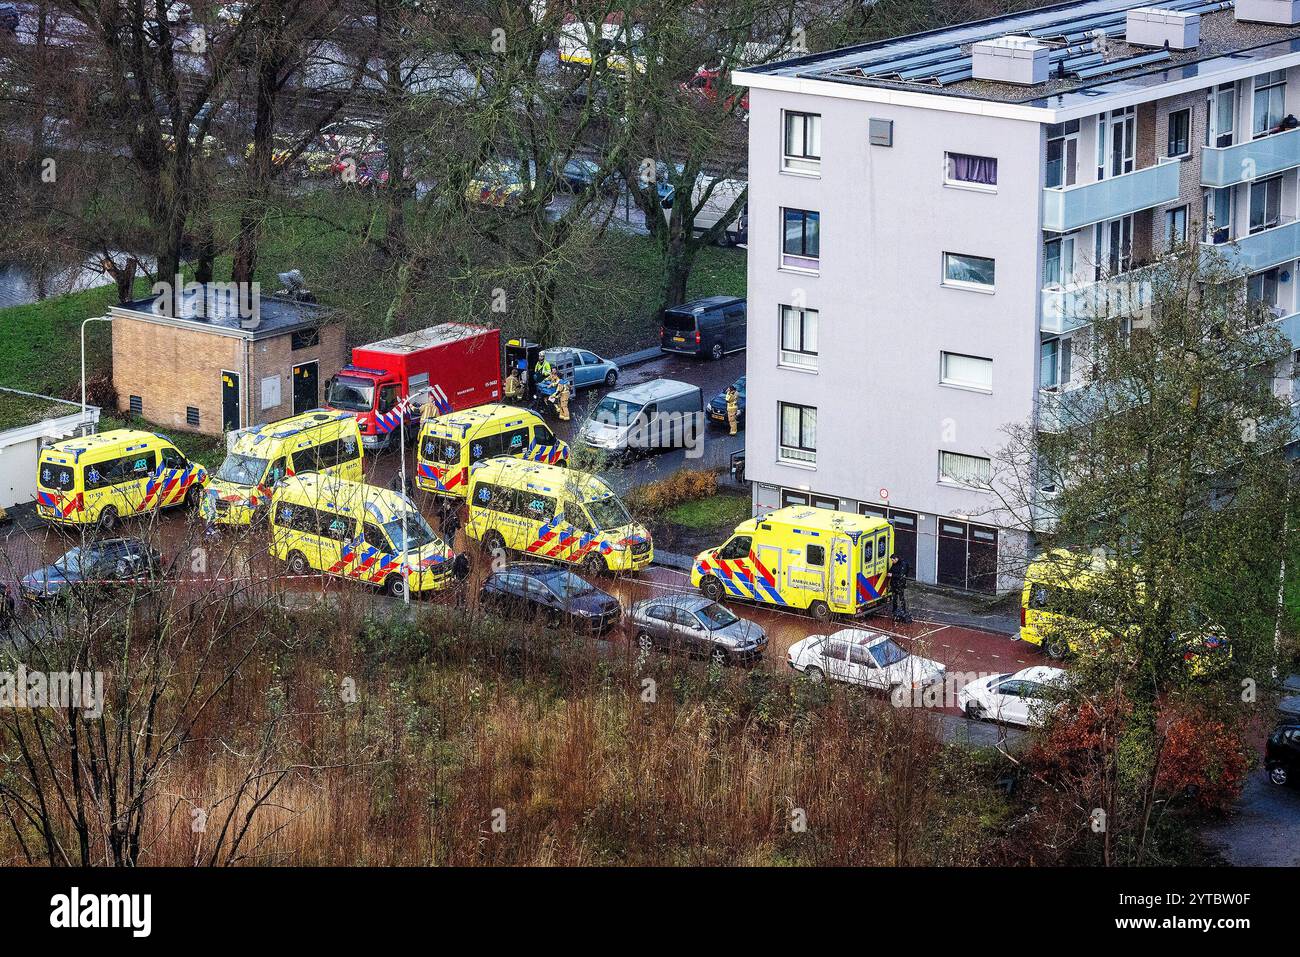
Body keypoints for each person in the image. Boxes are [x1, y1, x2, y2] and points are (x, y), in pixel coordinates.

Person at [888, 553, 912, 624]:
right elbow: (891, 570)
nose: (892, 562)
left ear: (896, 559)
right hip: (894, 584)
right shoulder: (895, 564)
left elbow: (901, 575)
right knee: (894, 598)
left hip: (900, 584)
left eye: (893, 560)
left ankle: (903, 611)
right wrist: (889, 572)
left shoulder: (903, 565)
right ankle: (894, 610)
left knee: (901, 598)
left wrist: (892, 575)